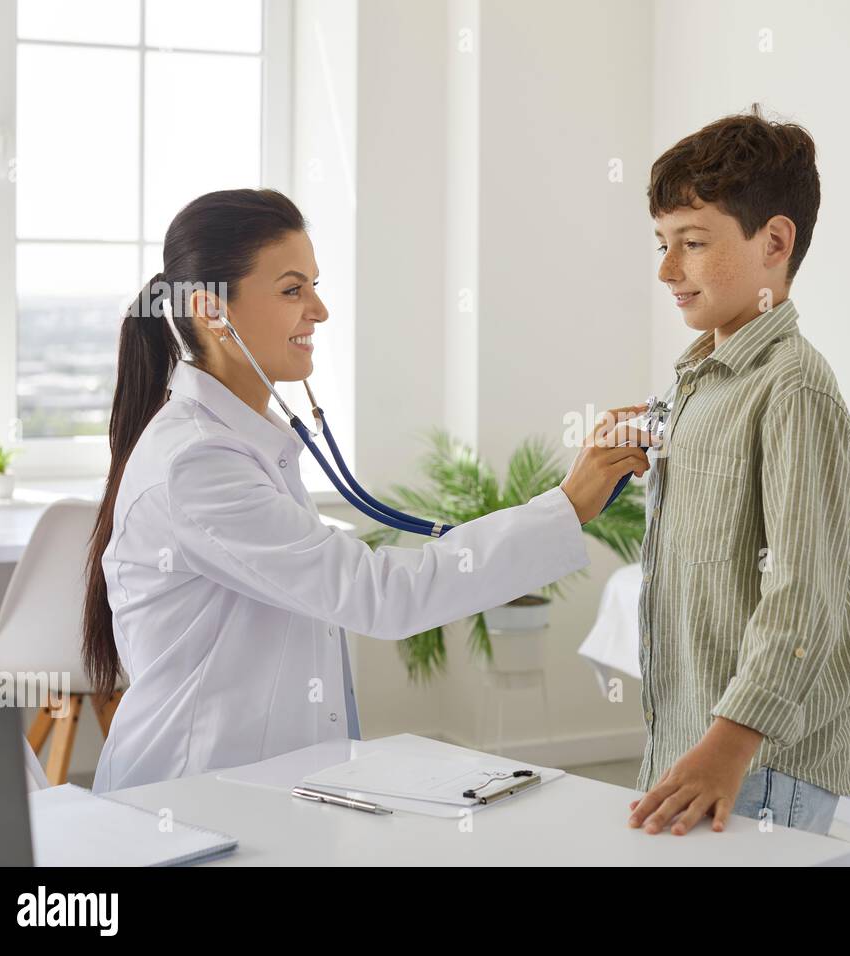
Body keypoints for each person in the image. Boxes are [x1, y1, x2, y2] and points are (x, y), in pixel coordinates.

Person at [84, 188, 651, 793]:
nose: (319, 310)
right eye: (292, 289)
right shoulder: (196, 462)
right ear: (211, 311)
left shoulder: (246, 444)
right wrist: (567, 505)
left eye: (314, 285)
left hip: (260, 790)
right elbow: (378, 596)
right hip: (189, 794)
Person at [627, 107, 850, 836]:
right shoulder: (700, 378)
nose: (668, 270)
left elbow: (805, 595)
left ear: (774, 241)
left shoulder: (793, 388)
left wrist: (730, 743)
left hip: (760, 763)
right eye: (663, 244)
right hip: (693, 748)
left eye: (693, 244)